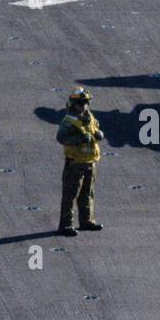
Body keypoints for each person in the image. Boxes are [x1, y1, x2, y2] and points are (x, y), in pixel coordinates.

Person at [56, 87, 104, 237]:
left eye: (86, 103)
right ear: (73, 104)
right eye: (81, 103)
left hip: (90, 162)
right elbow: (61, 138)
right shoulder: (69, 121)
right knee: (70, 195)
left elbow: (97, 130)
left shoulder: (89, 117)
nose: (84, 106)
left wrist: (99, 134)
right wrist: (79, 139)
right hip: (75, 164)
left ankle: (86, 221)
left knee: (87, 194)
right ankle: (65, 225)